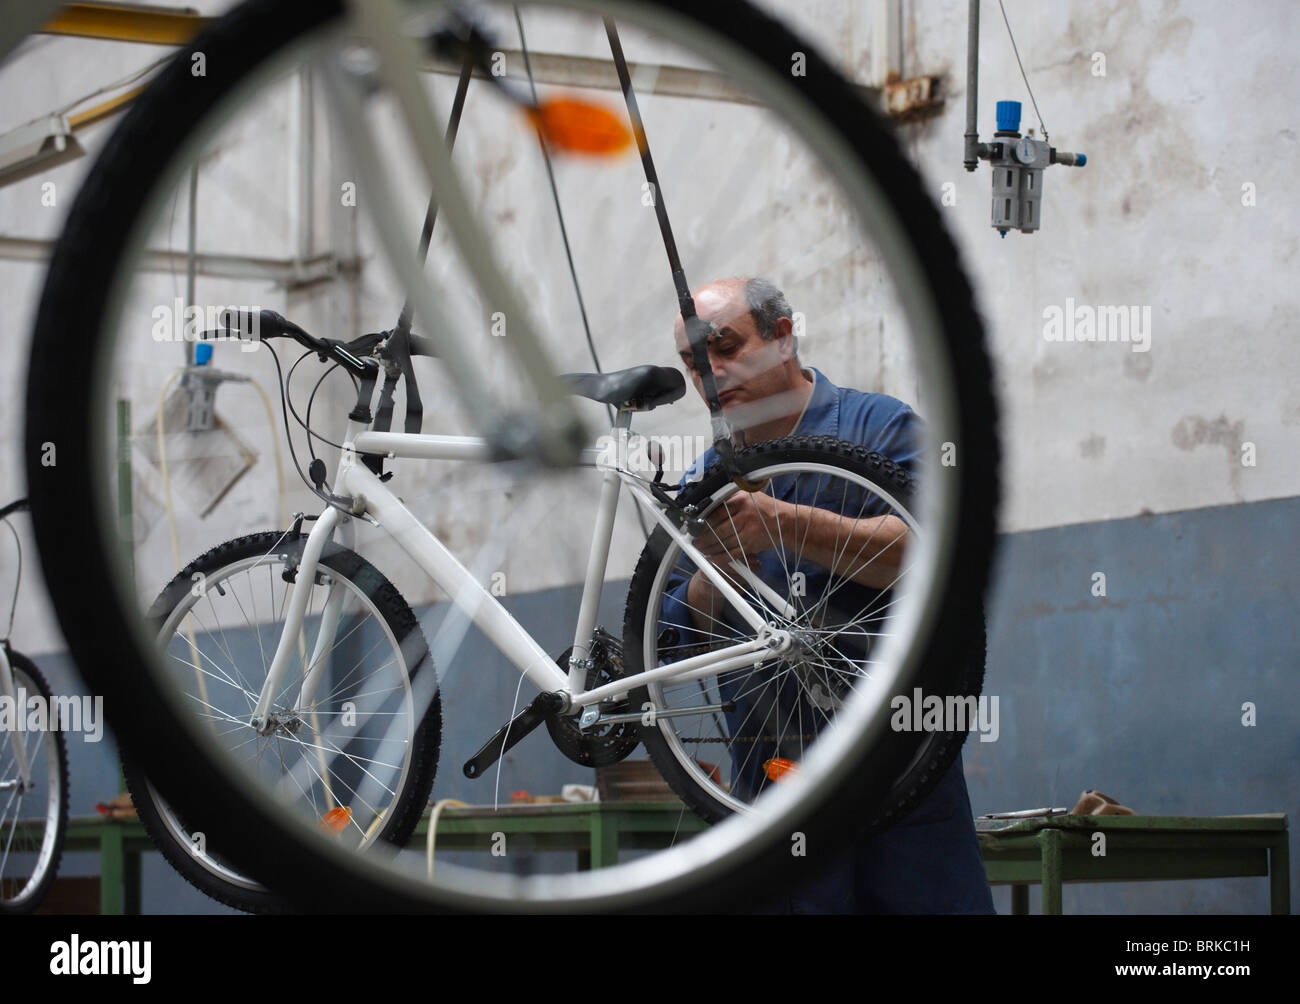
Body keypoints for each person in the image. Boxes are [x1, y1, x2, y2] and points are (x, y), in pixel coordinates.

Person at [662, 276, 994, 914]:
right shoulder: (705, 479)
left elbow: (935, 559)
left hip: (902, 777)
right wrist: (718, 573)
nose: (711, 375)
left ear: (783, 336)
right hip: (774, 789)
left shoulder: (880, 428)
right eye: (693, 363)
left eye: (726, 347)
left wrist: (785, 524)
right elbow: (674, 634)